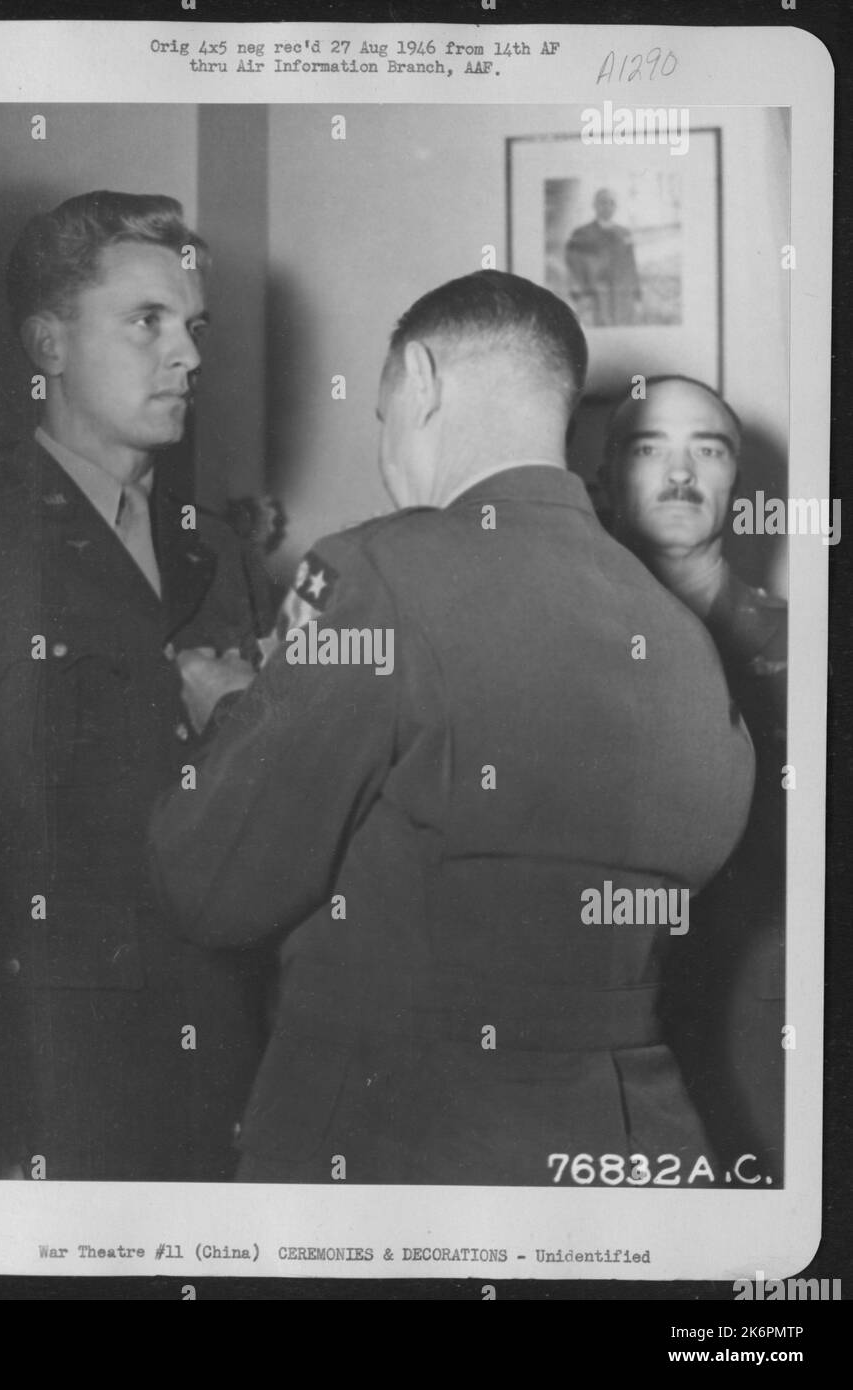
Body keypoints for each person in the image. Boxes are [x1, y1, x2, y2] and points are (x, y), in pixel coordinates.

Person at [148, 271, 755, 1185]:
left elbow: (210, 883)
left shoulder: (379, 573)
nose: (386, 439)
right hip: (635, 1155)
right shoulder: (680, 636)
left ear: (421, 380)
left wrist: (231, 709)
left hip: (393, 1145)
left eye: (383, 409)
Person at [0, 191, 274, 1181]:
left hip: (221, 1045)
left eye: (193, 327)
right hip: (49, 1080)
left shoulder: (218, 550)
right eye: (147, 321)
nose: (189, 355)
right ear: (49, 345)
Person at [601, 375, 786, 1183]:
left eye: (705, 451)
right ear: (608, 478)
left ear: (733, 484)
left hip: (753, 1007)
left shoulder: (803, 651)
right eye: (649, 449)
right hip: (595, 1012)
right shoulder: (558, 639)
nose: (679, 475)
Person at [565, 188, 642, 328]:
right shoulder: (581, 233)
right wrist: (579, 295)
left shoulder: (624, 233)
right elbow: (573, 267)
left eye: (611, 203)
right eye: (603, 202)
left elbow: (631, 266)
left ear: (616, 207)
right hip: (594, 298)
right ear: (594, 205)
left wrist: (636, 295)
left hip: (621, 299)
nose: (607, 207)